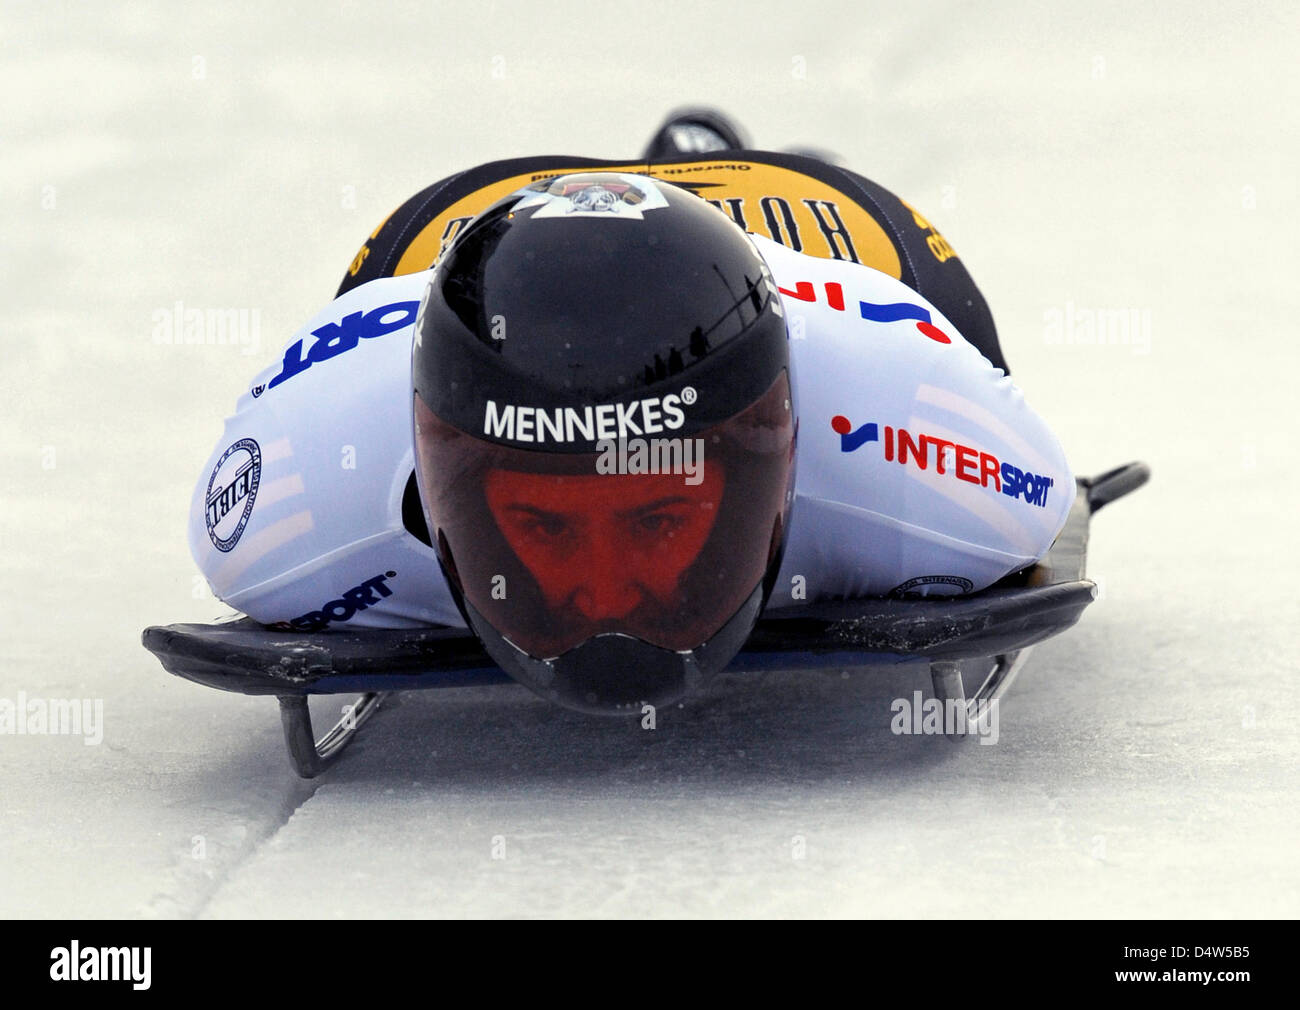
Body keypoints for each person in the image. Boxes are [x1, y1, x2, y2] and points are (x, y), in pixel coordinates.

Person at [189, 111, 1072, 713]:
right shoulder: (298, 491)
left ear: (779, 442)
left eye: (655, 513)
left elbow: (1043, 484)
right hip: (448, 243)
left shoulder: (923, 437)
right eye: (544, 520)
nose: (603, 595)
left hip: (826, 232)